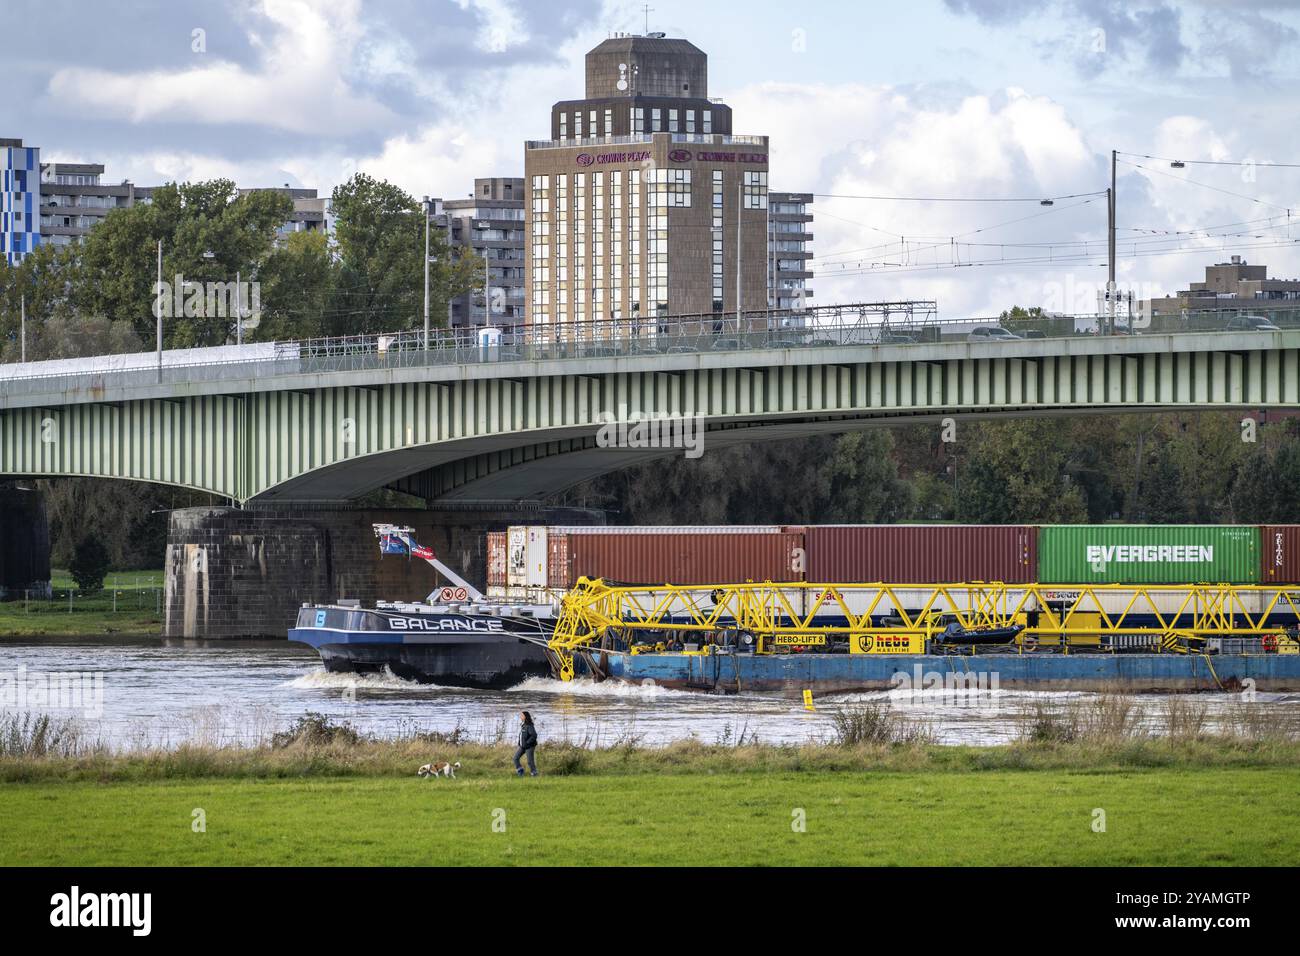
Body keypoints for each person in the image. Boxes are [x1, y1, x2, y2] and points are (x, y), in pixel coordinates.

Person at [514, 711, 539, 777]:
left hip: (529, 746)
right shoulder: (523, 724)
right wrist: (520, 743)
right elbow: (522, 735)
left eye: (522, 715)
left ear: (525, 716)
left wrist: (527, 743)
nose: (520, 717)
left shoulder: (529, 725)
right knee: (515, 758)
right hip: (522, 746)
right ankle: (520, 771)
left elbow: (534, 735)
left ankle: (534, 774)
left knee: (530, 762)